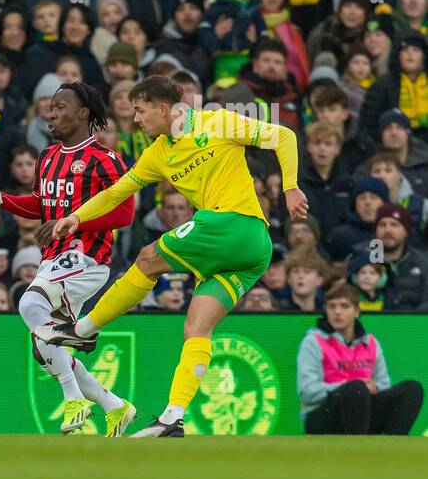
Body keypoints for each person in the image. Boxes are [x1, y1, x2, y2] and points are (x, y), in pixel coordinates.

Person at [37, 75, 308, 437]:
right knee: (197, 328)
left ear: (163, 108)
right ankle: (172, 418)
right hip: (249, 254)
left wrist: (290, 187)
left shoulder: (218, 122)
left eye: (140, 111)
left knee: (149, 257)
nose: (136, 120)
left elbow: (284, 137)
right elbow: (118, 191)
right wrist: (76, 217)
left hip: (236, 225)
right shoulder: (158, 154)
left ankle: (84, 330)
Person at [0, 82, 137, 435]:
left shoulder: (104, 158)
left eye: (60, 106)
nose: (51, 112)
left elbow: (125, 213)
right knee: (42, 343)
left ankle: (73, 398)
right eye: (49, 106)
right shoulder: (47, 157)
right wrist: (1, 199)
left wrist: (72, 223)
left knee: (30, 302)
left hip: (88, 257)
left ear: (83, 113)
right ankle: (115, 406)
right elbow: (42, 204)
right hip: (55, 257)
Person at [298, 283, 423, 435]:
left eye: (344, 306)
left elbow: (383, 385)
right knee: (356, 388)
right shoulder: (314, 341)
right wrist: (348, 387)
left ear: (357, 311)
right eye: (332, 306)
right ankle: (358, 450)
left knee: (412, 389)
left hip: (364, 411)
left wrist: (370, 389)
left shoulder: (370, 342)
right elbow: (307, 391)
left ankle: (393, 448)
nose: (337, 312)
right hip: (323, 415)